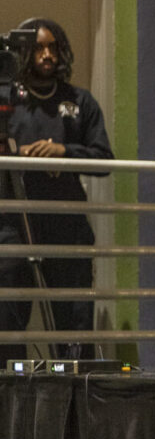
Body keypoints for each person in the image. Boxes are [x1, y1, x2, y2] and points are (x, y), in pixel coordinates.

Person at [0, 18, 113, 364]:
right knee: (8, 322)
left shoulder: (80, 101)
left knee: (74, 321)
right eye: (38, 47)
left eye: (52, 47)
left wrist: (64, 152)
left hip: (68, 227)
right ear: (24, 53)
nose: (46, 55)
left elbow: (104, 159)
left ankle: (76, 401)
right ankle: (12, 396)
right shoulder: (7, 99)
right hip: (14, 228)